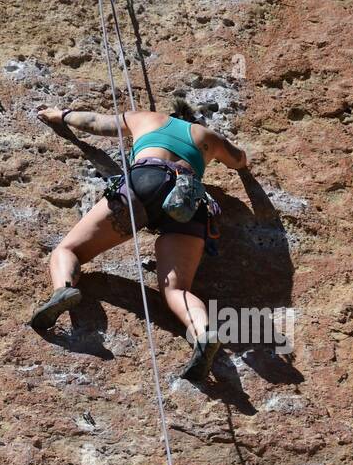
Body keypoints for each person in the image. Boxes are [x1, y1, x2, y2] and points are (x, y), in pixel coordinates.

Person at [30, 104, 247, 381]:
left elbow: (95, 121)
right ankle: (203, 332)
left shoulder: (146, 117)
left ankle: (63, 289)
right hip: (189, 201)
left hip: (148, 179)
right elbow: (239, 160)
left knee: (68, 249)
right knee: (177, 290)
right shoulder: (208, 137)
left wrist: (60, 115)